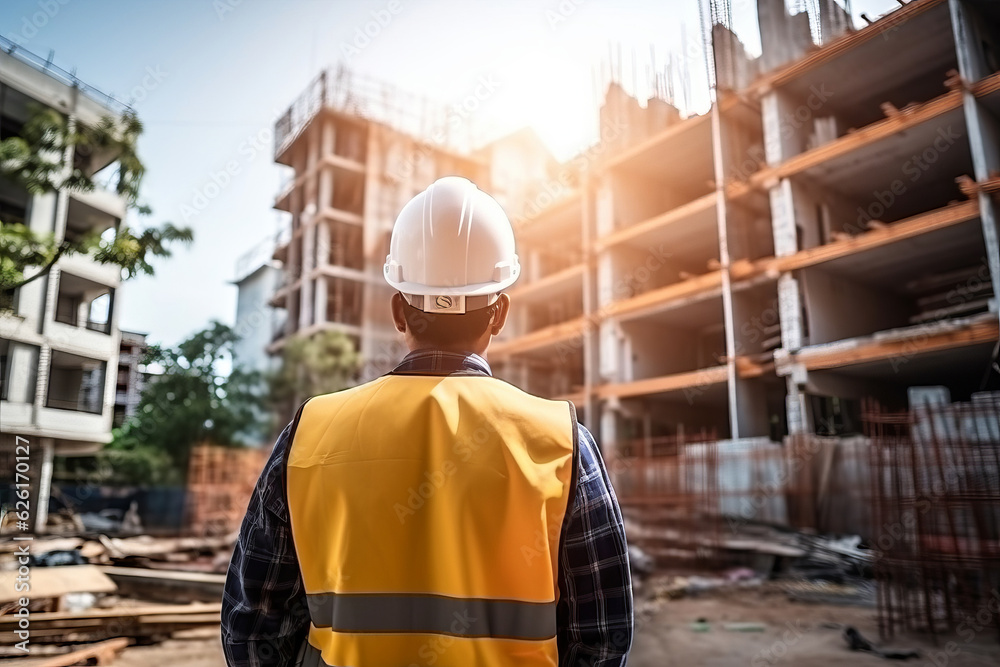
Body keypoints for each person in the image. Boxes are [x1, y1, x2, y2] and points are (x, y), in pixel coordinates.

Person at [222, 176, 632, 666]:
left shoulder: (311, 432)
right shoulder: (561, 441)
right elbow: (603, 635)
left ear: (399, 309)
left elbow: (252, 624)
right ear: (498, 314)